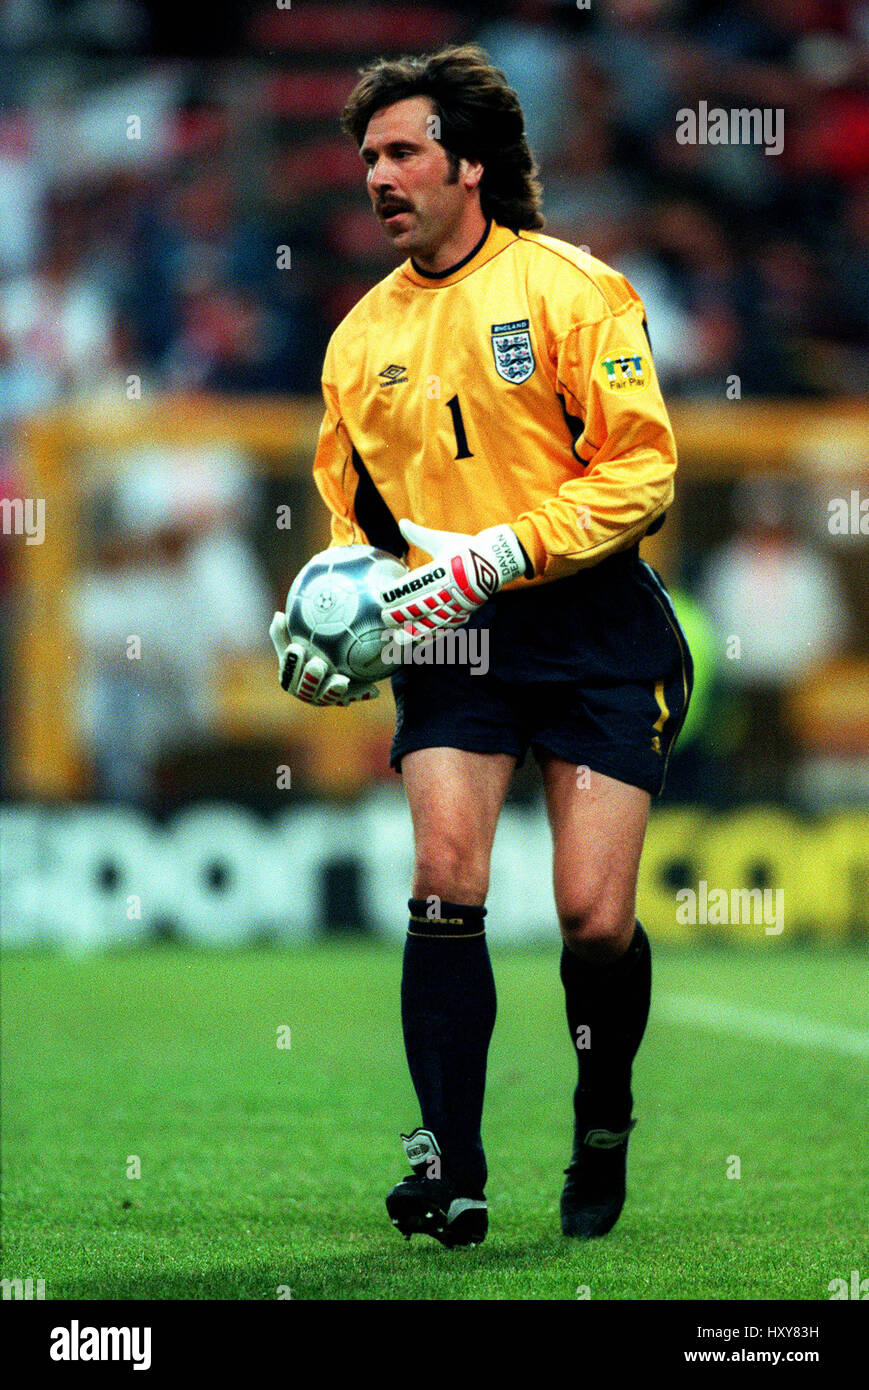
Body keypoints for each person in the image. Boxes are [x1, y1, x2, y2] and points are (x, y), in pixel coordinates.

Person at [270, 46, 693, 1246]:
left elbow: (642, 468)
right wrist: (345, 624)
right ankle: (449, 1163)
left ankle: (600, 1115)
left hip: (593, 626)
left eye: (402, 151)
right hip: (450, 643)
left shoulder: (573, 291)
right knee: (444, 880)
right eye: (366, 158)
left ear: (469, 164)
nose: (378, 176)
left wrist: (502, 551)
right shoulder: (358, 342)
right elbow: (358, 524)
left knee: (590, 920)